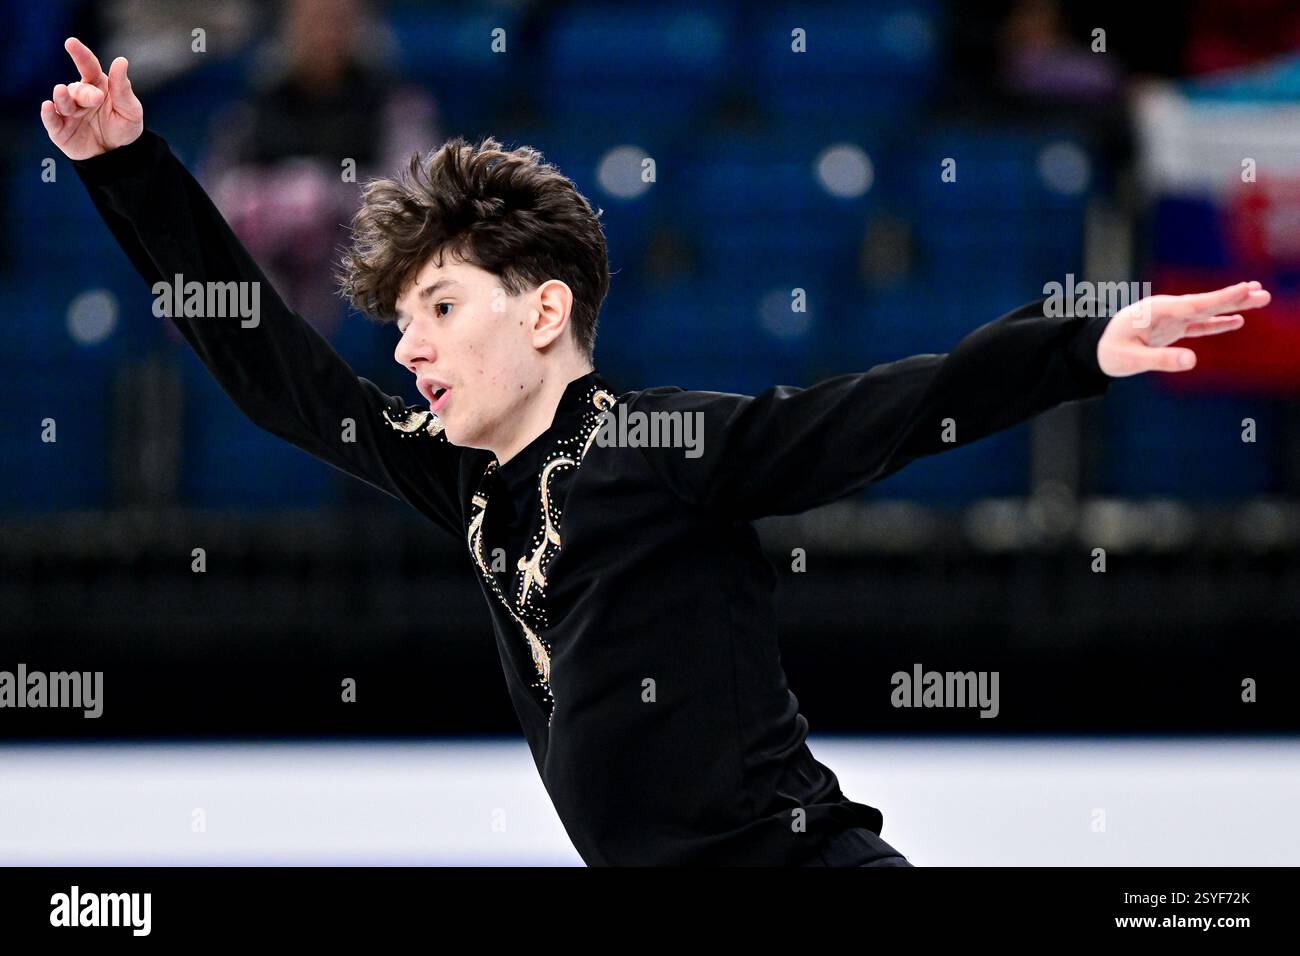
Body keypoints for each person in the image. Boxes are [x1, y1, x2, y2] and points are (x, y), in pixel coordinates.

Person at [41, 37, 1271, 867]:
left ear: (541, 312)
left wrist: (1083, 341)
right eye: (403, 318)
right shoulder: (459, 472)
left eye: (442, 307)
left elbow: (883, 412)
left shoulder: (654, 446)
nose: (408, 346)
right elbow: (278, 376)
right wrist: (129, 169)